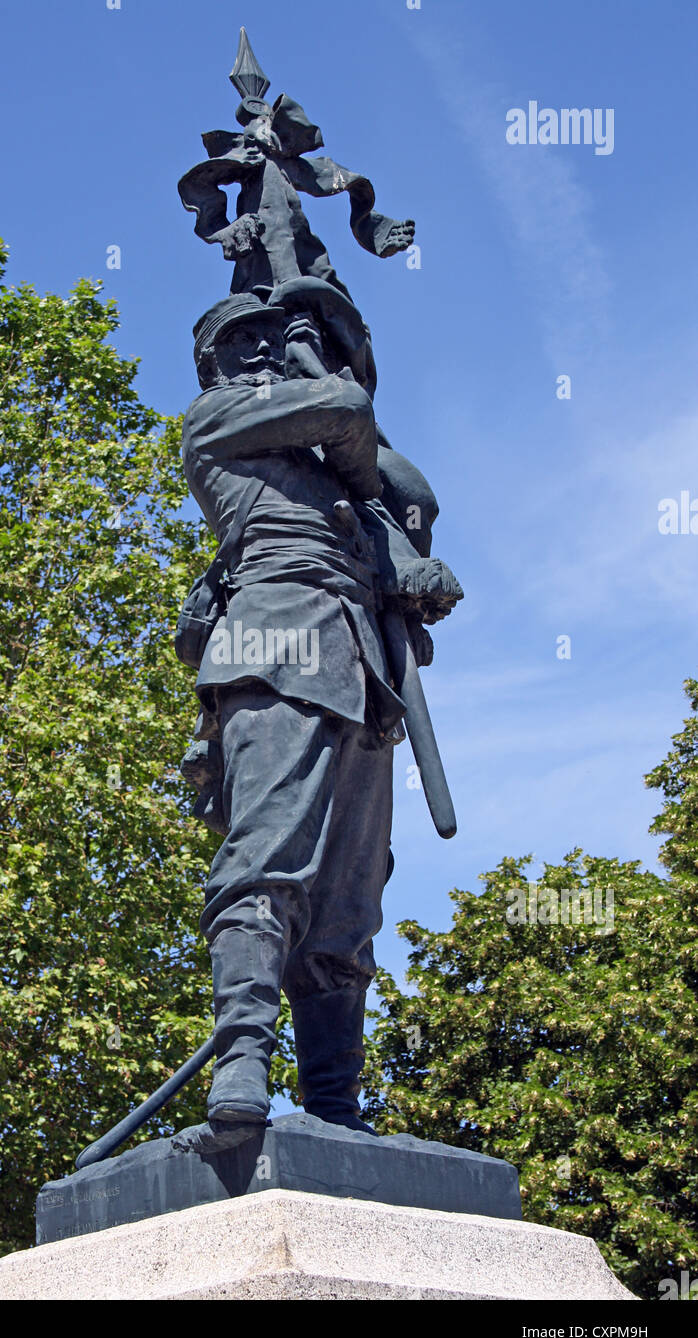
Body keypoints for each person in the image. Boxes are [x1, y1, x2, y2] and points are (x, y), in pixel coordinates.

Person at [177, 291, 462, 1151]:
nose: (264, 351)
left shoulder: (337, 468)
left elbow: (415, 492)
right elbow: (347, 409)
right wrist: (318, 367)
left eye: (280, 339)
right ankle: (242, 1071)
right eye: (245, 339)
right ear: (212, 362)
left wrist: (406, 569)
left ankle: (336, 1105)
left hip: (362, 674)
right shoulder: (217, 419)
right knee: (266, 861)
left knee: (349, 899)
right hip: (276, 645)